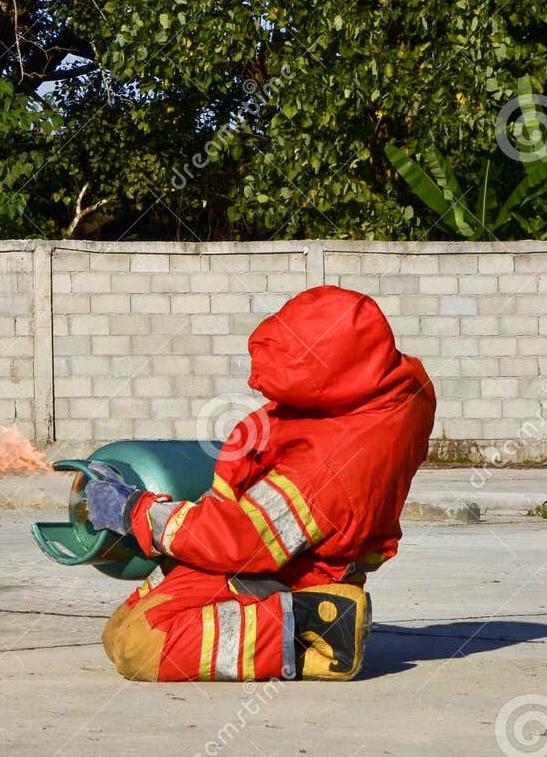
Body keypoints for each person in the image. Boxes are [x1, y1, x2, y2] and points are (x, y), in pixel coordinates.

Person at [83, 285, 436, 681]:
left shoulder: (327, 466)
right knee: (117, 632)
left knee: (142, 646)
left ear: (324, 365)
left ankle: (314, 627)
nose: (255, 383)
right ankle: (305, 613)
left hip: (293, 567)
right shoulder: (397, 387)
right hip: (295, 551)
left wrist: (137, 512)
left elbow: (243, 540)